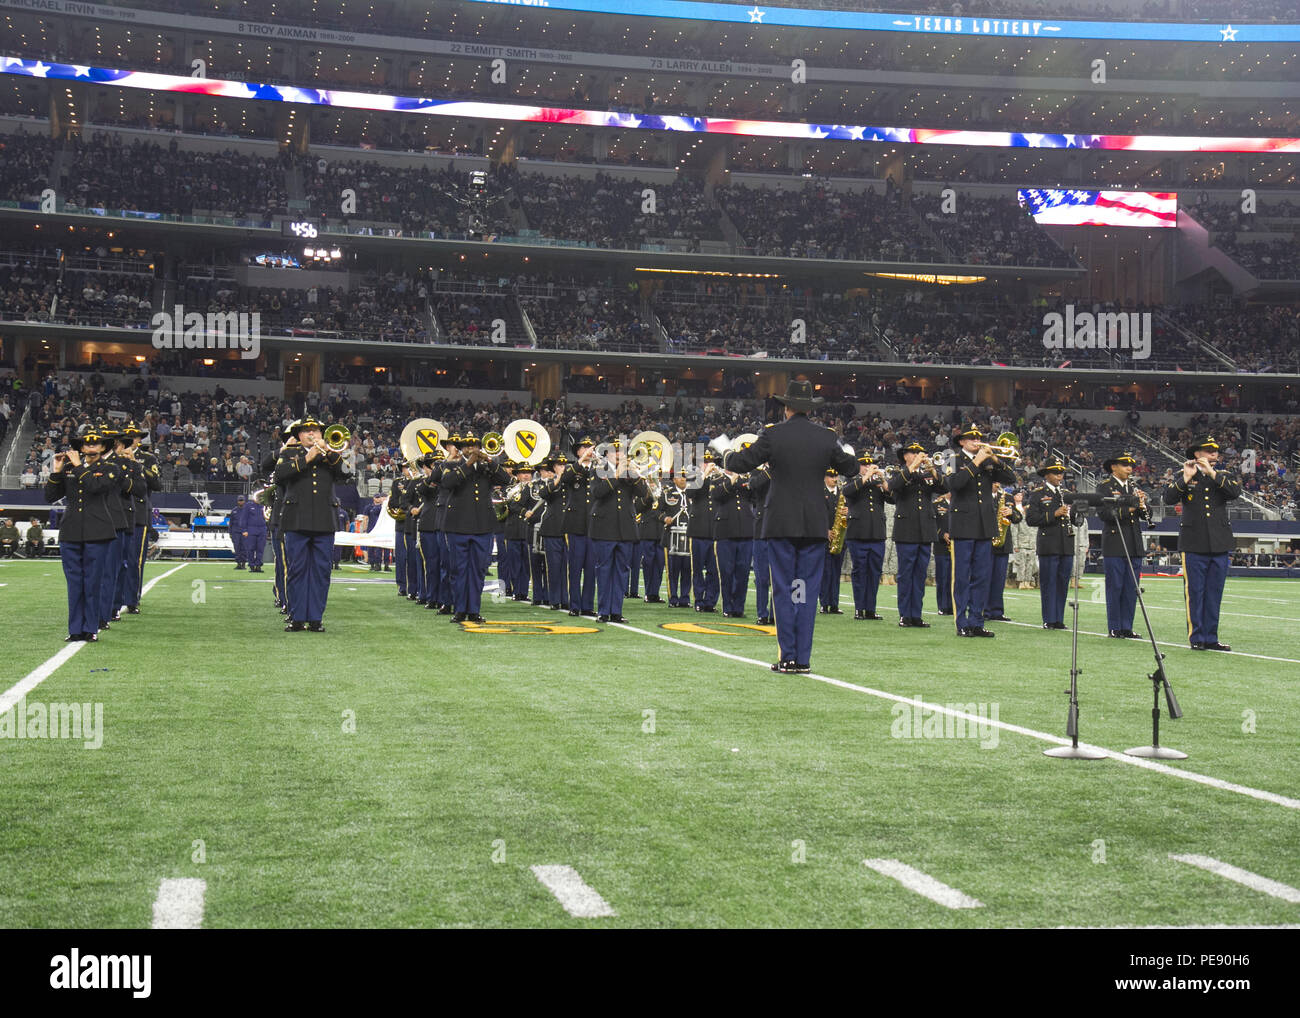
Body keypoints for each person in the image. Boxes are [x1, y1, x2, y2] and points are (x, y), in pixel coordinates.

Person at [719, 378, 857, 674]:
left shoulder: (773, 435)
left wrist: (726, 453)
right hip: (813, 526)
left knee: (784, 589)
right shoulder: (826, 436)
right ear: (809, 408)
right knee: (804, 591)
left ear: (787, 408)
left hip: (781, 523)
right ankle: (803, 659)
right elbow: (851, 468)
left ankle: (788, 657)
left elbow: (741, 464)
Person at [1163, 435, 1241, 651]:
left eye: (1215, 451)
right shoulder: (1184, 475)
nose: (1213, 454)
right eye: (1208, 450)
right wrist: (1186, 479)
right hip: (1193, 543)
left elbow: (1235, 493)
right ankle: (1197, 637)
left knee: (1214, 593)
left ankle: (1211, 637)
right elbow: (1168, 498)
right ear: (1197, 454)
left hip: (1219, 543)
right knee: (1195, 592)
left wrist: (1212, 473)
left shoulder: (1222, 475)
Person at [44, 426, 118, 642]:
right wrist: (56, 471)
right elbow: (50, 497)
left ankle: (90, 628)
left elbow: (96, 487)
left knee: (93, 582)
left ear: (104, 447)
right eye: (86, 443)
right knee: (74, 582)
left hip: (98, 531)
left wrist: (77, 466)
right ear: (81, 447)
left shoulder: (110, 467)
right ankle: (75, 629)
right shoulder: (69, 468)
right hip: (71, 531)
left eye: (95, 443)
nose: (90, 446)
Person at [274, 416, 347, 632]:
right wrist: (308, 458)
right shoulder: (288, 454)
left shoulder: (331, 455)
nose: (311, 434)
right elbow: (279, 475)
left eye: (315, 431)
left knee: (321, 572)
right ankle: (297, 617)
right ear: (299, 435)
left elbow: (345, 474)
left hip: (325, 521)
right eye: (307, 431)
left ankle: (316, 618)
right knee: (296, 570)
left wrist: (331, 452)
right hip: (296, 519)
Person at [945, 425, 1016, 637]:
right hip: (963, 525)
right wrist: (976, 462)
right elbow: (954, 483)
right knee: (962, 577)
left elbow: (1011, 478)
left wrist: (995, 460)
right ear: (961, 442)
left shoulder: (988, 461)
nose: (977, 442)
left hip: (984, 526)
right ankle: (962, 623)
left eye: (979, 439)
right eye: (972, 439)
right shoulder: (952, 459)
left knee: (981, 577)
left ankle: (977, 621)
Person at [440, 432, 512, 624]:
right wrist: (469, 463)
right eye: (467, 446)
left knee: (477, 571)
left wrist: (489, 460)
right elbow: (447, 483)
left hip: (482, 526)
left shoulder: (487, 467)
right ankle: (460, 610)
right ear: (461, 448)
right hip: (458, 526)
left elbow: (506, 479)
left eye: (475, 446)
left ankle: (474, 610)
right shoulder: (452, 465)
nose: (471, 449)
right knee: (459, 570)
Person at [589, 442, 648, 622]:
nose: (619, 454)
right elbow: (597, 493)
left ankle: (616, 611)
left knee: (622, 571)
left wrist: (635, 474)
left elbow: (644, 493)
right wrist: (615, 475)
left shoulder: (630, 470)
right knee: (604, 569)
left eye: (621, 451)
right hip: (604, 528)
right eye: (615, 452)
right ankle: (603, 610)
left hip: (626, 528)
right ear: (607, 454)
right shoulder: (599, 469)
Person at [887, 440, 941, 628]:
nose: (918, 456)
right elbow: (893, 486)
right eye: (913, 453)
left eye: (920, 453)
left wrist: (933, 470)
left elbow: (944, 487)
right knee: (906, 574)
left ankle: (916, 614)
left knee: (920, 575)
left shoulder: (927, 474)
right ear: (905, 456)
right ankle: (904, 614)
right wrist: (913, 467)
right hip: (906, 529)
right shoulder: (899, 472)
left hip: (925, 529)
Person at [1096, 452, 1150, 639]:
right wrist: (1131, 508)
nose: (1129, 469)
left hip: (1134, 543)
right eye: (1125, 465)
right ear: (1113, 467)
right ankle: (1115, 627)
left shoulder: (1134, 487)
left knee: (1131, 588)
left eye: (1130, 466)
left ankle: (1127, 626)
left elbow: (1145, 515)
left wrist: (1143, 505)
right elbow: (1104, 514)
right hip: (1115, 543)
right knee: (1115, 587)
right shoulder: (1105, 487)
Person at [842, 451, 893, 621]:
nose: (868, 467)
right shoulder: (853, 480)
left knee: (874, 572)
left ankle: (870, 608)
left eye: (870, 465)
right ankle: (859, 608)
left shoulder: (878, 483)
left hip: (876, 533)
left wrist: (883, 479)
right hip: (858, 533)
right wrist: (866, 476)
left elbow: (892, 498)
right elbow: (848, 492)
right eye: (864, 465)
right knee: (859, 572)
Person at [1024, 461, 1074, 630]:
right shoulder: (1038, 494)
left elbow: (1075, 520)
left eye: (1061, 473)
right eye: (1055, 472)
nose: (1060, 476)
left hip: (1066, 544)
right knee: (1049, 583)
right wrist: (1054, 513)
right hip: (1049, 544)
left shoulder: (1067, 494)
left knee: (1062, 583)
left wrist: (1077, 513)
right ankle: (1049, 619)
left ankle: (1058, 618)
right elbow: (1031, 519)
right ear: (1046, 475)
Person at [710, 463, 755, 618]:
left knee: (743, 573)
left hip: (746, 531)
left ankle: (739, 607)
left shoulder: (747, 479)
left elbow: (754, 496)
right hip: (725, 532)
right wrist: (732, 480)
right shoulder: (717, 479)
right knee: (726, 572)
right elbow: (716, 495)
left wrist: (745, 480)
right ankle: (727, 606)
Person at [983, 481, 1022, 623]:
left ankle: (997, 610)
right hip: (986, 541)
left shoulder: (1008, 497)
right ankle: (984, 610)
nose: (996, 483)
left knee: (999, 579)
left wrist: (1012, 512)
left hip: (1003, 543)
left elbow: (1019, 518)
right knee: (985, 578)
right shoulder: (981, 494)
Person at [687, 453, 720, 613]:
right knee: (698, 568)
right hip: (698, 529)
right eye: (705, 462)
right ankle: (699, 600)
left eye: (710, 462)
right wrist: (704, 475)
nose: (708, 465)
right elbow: (690, 494)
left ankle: (711, 601)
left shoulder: (719, 477)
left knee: (715, 569)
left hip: (715, 530)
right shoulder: (693, 477)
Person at [747, 465, 773, 624]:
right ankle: (762, 613)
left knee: (779, 578)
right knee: (762, 577)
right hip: (762, 530)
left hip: (781, 529)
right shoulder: (758, 472)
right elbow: (754, 485)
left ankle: (776, 613)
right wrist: (771, 470)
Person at [819, 469, 846, 615]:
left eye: (836, 476)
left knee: (836, 572)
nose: (834, 479)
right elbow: (816, 513)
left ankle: (834, 603)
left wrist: (848, 512)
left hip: (839, 537)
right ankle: (824, 603)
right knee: (825, 572)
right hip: (824, 537)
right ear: (825, 477)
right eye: (831, 476)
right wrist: (825, 530)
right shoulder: (819, 492)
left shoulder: (842, 492)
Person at [229, 494, 249, 569]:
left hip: (244, 533)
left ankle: (243, 563)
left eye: (242, 500)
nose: (241, 502)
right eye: (239, 500)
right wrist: (230, 533)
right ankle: (238, 564)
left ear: (244, 501)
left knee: (244, 548)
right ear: (237, 501)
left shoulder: (247, 511)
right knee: (237, 548)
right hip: (235, 532)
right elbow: (231, 523)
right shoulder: (234, 511)